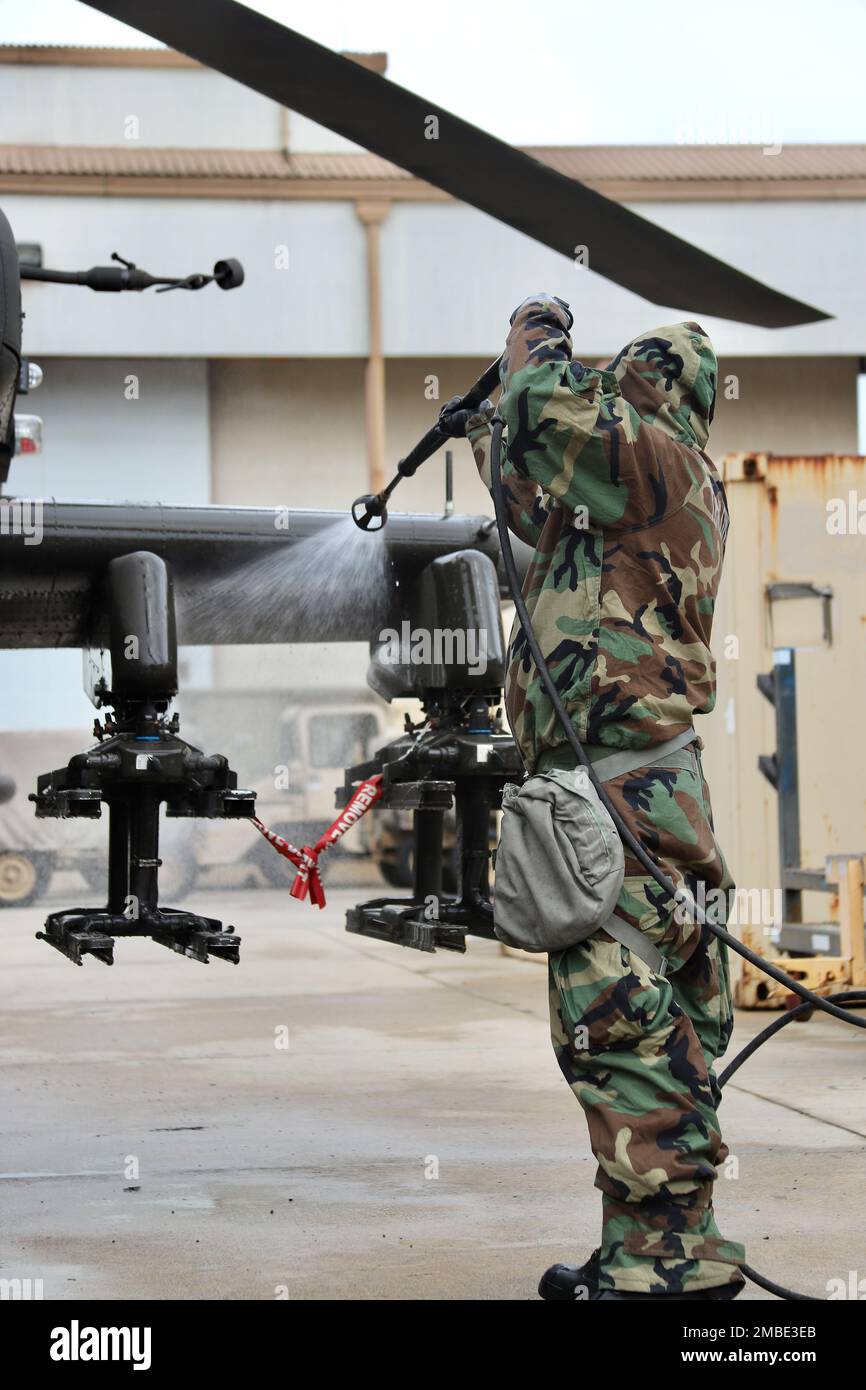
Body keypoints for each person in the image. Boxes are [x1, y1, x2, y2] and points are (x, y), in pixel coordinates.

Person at [460, 294, 744, 1301]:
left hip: (617, 790)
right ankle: (660, 1245)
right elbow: (526, 484)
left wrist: (534, 336)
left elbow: (543, 407)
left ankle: (664, 1268)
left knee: (615, 1016)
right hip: (647, 785)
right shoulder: (635, 486)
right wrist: (500, 424)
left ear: (654, 384)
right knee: (660, 1017)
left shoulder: (652, 456)